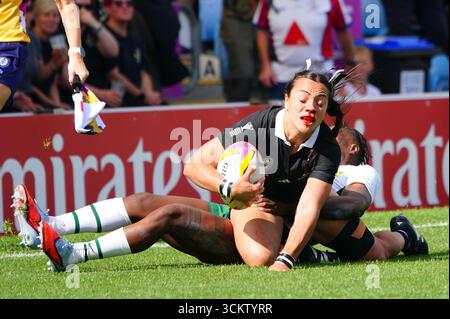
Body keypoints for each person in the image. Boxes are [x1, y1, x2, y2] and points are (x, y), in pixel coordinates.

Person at [13, 127, 427, 271]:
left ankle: (406, 237)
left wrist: (287, 206)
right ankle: (52, 227)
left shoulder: (356, 170)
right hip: (253, 220)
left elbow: (352, 207)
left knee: (378, 250)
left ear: (353, 149)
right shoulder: (301, 152)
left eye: (340, 135)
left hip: (279, 233)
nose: (330, 134)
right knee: (146, 200)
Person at [253, 0, 356, 100]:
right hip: (281, 74)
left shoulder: (331, 1)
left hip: (322, 72)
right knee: (280, 116)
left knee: (324, 116)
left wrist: (351, 62)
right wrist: (265, 66)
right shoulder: (267, 2)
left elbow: (343, 31)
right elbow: (262, 29)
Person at [0, 0, 89, 111]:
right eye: (46, 15)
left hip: (7, 43)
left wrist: (76, 54)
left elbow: (66, 3)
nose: (51, 19)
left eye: (54, 15)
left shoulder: (46, 41)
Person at [103, 0, 162, 107]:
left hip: (138, 101)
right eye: (119, 3)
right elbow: (113, 73)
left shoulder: (135, 38)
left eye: (129, 4)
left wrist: (148, 93)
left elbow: (144, 69)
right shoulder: (103, 36)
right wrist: (142, 95)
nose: (125, 7)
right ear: (107, 8)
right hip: (114, 102)